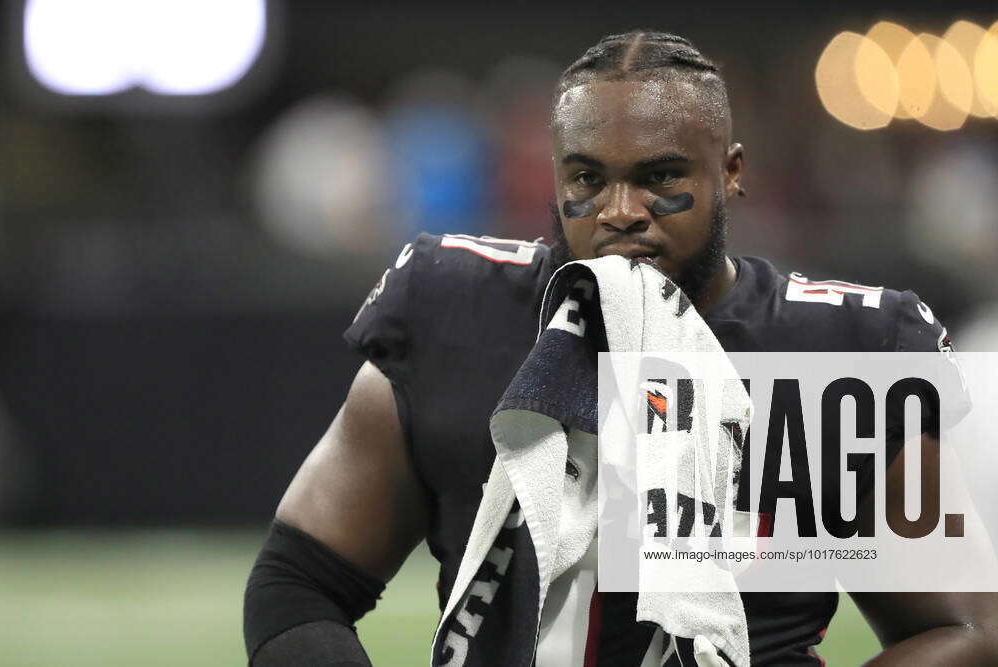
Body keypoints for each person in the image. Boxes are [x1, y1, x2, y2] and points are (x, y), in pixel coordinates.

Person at [244, 31, 998, 665]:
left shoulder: (831, 351)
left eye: (660, 177)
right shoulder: (452, 311)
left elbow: (969, 629)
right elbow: (298, 584)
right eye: (587, 178)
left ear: (730, 173)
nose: (620, 212)